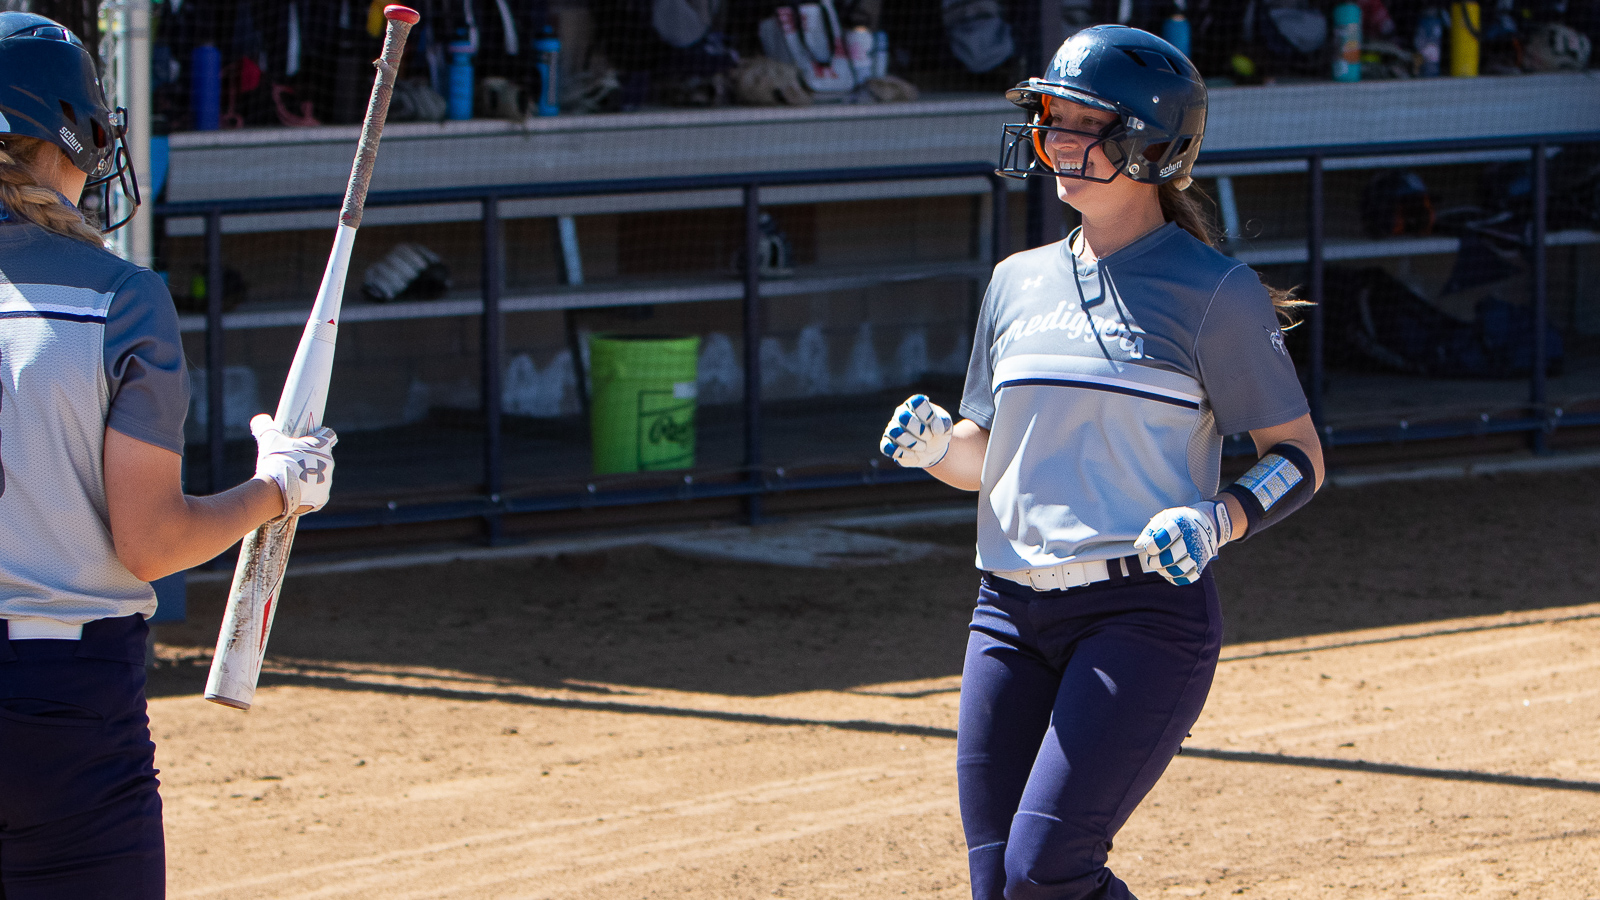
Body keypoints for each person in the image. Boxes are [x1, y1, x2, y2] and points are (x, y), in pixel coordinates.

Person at [880, 25, 1323, 900]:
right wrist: (939, 448)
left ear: (1153, 148)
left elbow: (1298, 457)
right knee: (994, 885)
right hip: (1007, 610)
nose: (1060, 147)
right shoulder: (1016, 280)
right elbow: (987, 458)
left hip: (1142, 616)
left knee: (1047, 872)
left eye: (1090, 127)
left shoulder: (1213, 291)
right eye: (1054, 122)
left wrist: (1218, 518)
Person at [0, 13, 336, 898]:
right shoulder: (122, 298)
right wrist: (276, 490)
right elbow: (151, 542)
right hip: (63, 706)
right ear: (61, 136)